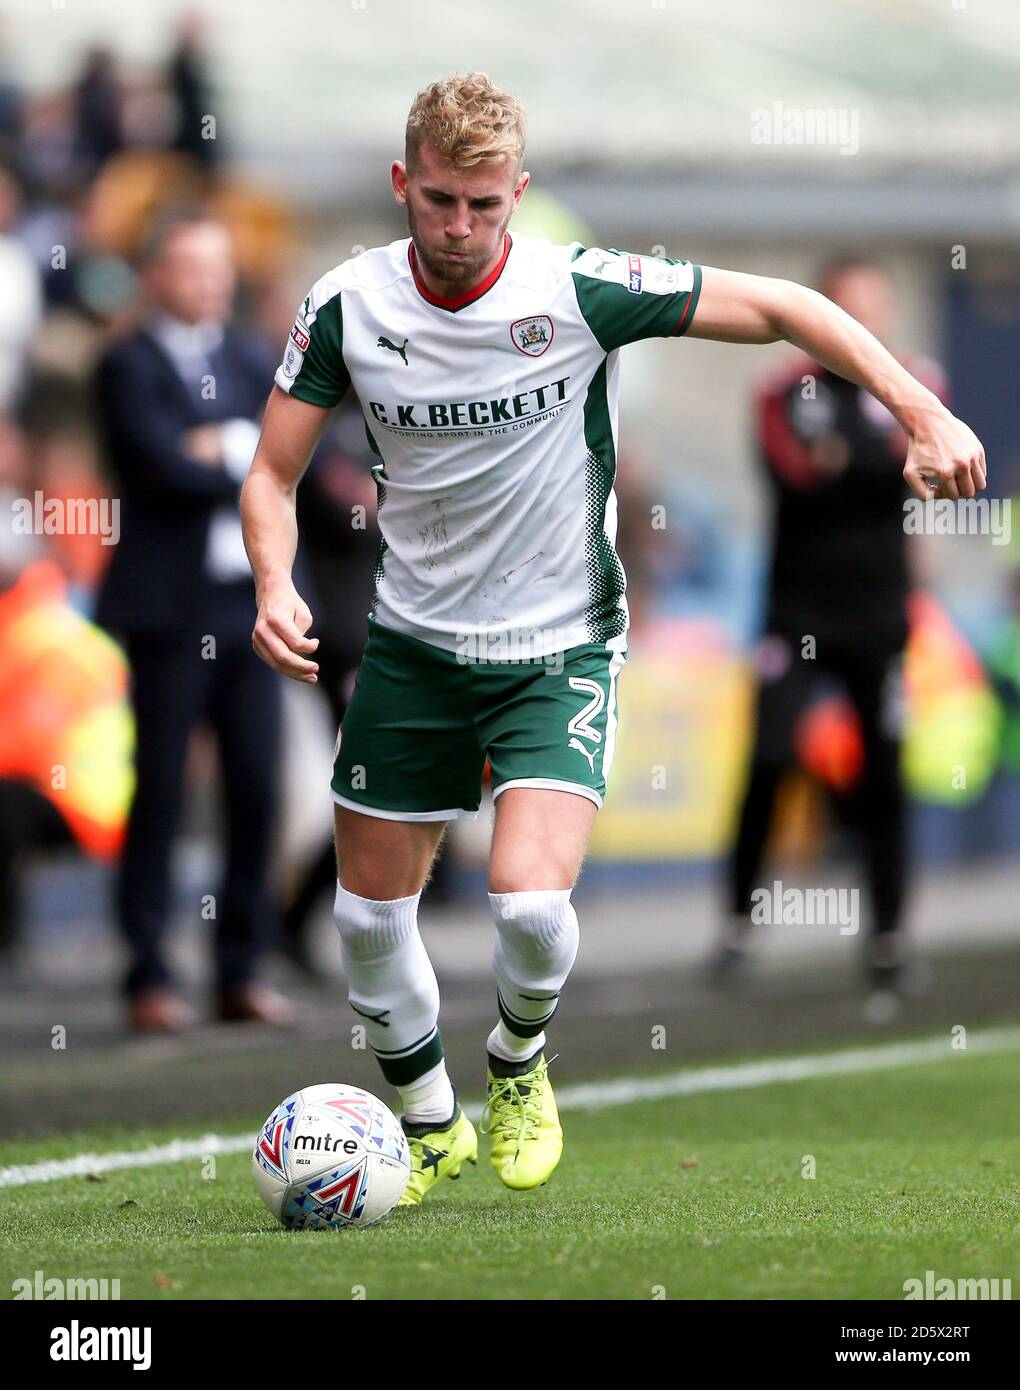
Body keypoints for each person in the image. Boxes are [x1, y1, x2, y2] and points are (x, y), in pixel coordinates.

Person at [240, 73, 985, 1207]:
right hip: (414, 648)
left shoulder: (578, 287)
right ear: (403, 184)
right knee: (365, 919)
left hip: (556, 650)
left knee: (532, 910)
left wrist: (917, 407)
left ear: (518, 194)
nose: (456, 228)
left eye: (483, 205)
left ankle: (520, 1063)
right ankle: (431, 1121)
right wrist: (274, 580)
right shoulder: (348, 306)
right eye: (436, 200)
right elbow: (271, 471)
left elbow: (789, 306)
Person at [713, 260, 948, 1003]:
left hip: (880, 615)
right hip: (797, 611)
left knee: (883, 770)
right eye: (848, 311)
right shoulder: (784, 390)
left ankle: (888, 938)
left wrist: (851, 462)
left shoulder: (914, 384)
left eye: (873, 310)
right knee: (772, 755)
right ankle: (738, 925)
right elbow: (795, 473)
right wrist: (865, 465)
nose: (862, 327)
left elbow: (924, 471)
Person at [96, 210, 289, 1034]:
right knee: (164, 790)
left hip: (251, 604)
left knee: (257, 786)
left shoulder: (251, 354)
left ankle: (240, 969)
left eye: (218, 266)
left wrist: (228, 447)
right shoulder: (125, 362)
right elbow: (160, 467)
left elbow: (290, 461)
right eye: (188, 265)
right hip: (170, 611)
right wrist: (243, 457)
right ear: (155, 274)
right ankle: (147, 971)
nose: (207, 281)